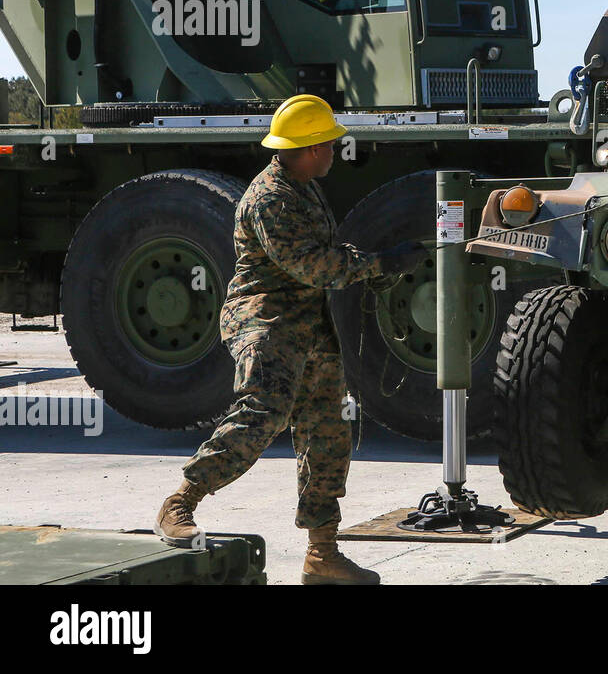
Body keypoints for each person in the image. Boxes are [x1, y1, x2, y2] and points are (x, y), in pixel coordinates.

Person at [153, 94, 427, 584]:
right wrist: (380, 264)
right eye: (325, 144)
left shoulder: (303, 186)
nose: (333, 151)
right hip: (267, 325)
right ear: (306, 149)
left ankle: (322, 554)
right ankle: (180, 502)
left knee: (327, 434)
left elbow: (323, 251)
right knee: (263, 415)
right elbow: (312, 265)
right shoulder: (270, 197)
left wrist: (376, 264)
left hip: (309, 327)